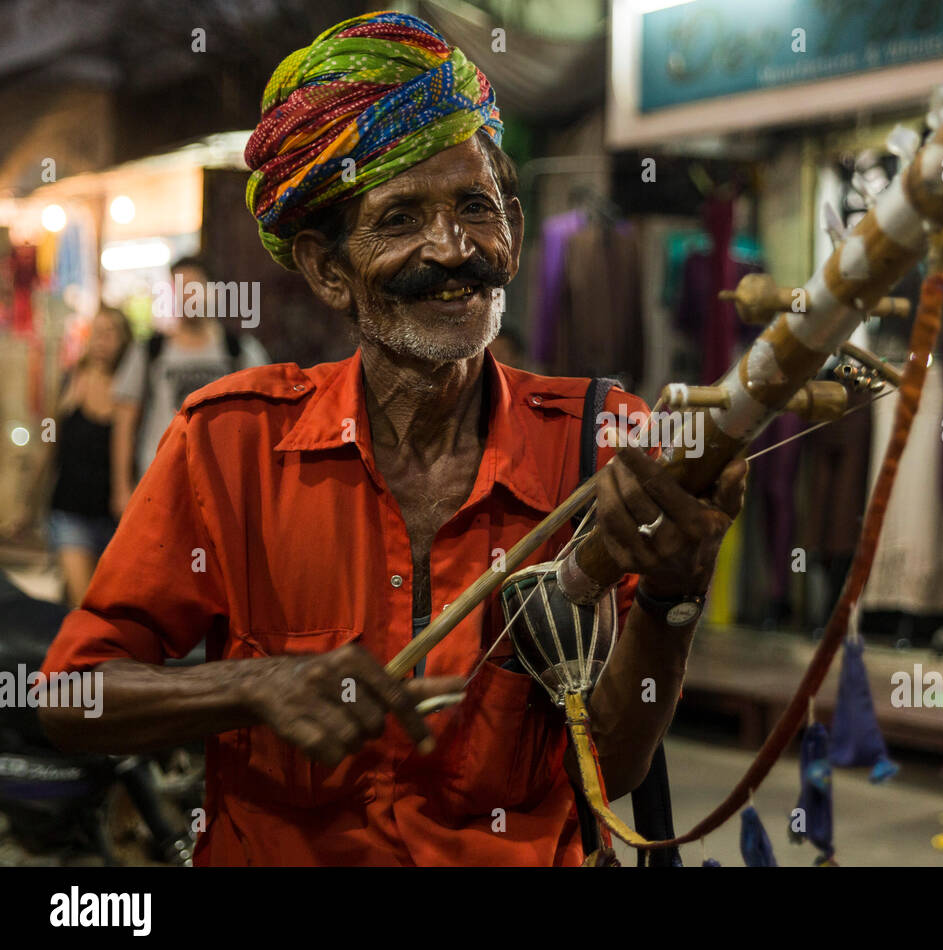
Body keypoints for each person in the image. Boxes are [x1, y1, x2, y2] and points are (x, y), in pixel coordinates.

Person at [41, 12, 747, 867]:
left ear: (515, 232)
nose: (452, 250)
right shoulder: (228, 446)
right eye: (402, 217)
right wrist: (254, 685)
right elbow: (69, 699)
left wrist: (677, 593)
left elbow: (616, 767)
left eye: (475, 209)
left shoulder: (606, 445)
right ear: (326, 268)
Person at [110, 255, 269, 517]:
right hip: (159, 484)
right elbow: (125, 418)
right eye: (180, 289)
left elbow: (264, 419)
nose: (188, 297)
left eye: (194, 288)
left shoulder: (239, 351)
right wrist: (121, 488)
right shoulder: (151, 350)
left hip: (225, 488)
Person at [46, 307, 132, 606]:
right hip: (70, 511)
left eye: (110, 332)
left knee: (108, 605)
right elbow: (49, 438)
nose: (101, 340)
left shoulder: (131, 390)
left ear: (124, 339)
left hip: (116, 517)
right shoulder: (70, 380)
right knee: (85, 607)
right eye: (97, 331)